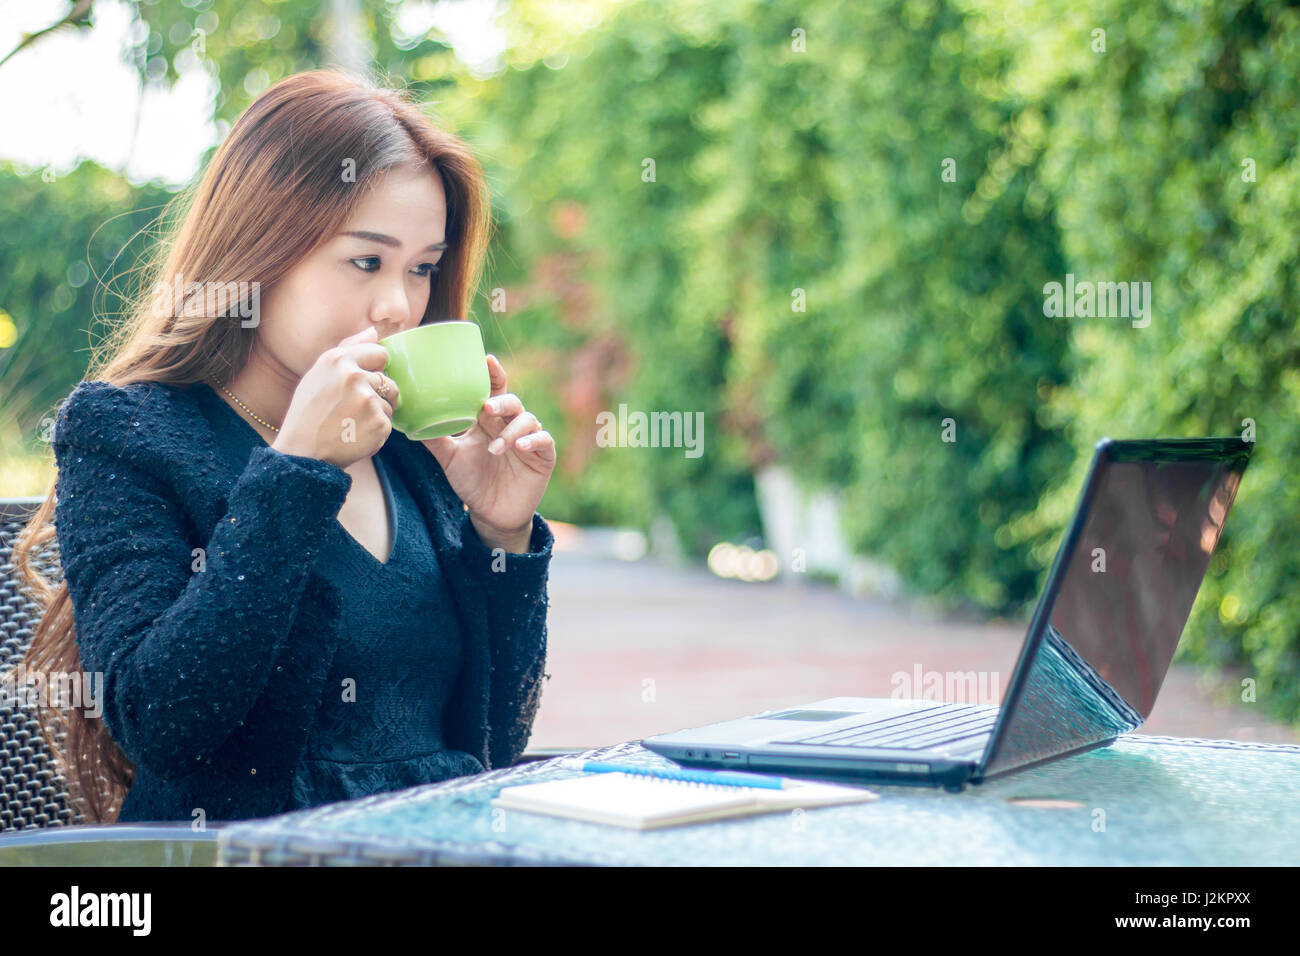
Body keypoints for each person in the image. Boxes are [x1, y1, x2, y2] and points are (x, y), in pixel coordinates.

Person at [6, 69, 558, 825]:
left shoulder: (411, 449)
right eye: (367, 261)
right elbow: (163, 720)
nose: (399, 306)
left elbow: (492, 743)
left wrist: (503, 536)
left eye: (422, 268)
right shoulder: (127, 434)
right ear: (261, 250)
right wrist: (295, 473)